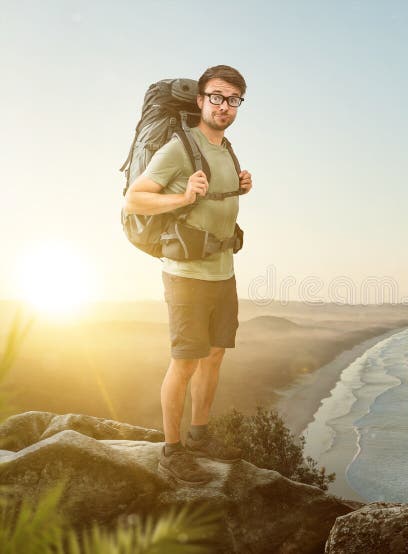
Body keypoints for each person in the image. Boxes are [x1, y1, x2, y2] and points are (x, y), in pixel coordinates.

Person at [124, 65, 253, 485]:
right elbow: (135, 200)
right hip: (185, 275)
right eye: (216, 97)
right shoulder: (180, 148)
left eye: (233, 99)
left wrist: (240, 184)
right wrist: (183, 195)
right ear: (200, 101)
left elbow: (217, 200)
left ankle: (199, 436)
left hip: (223, 272)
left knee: (214, 355)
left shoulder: (227, 149)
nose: (224, 106)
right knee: (184, 362)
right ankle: (172, 451)